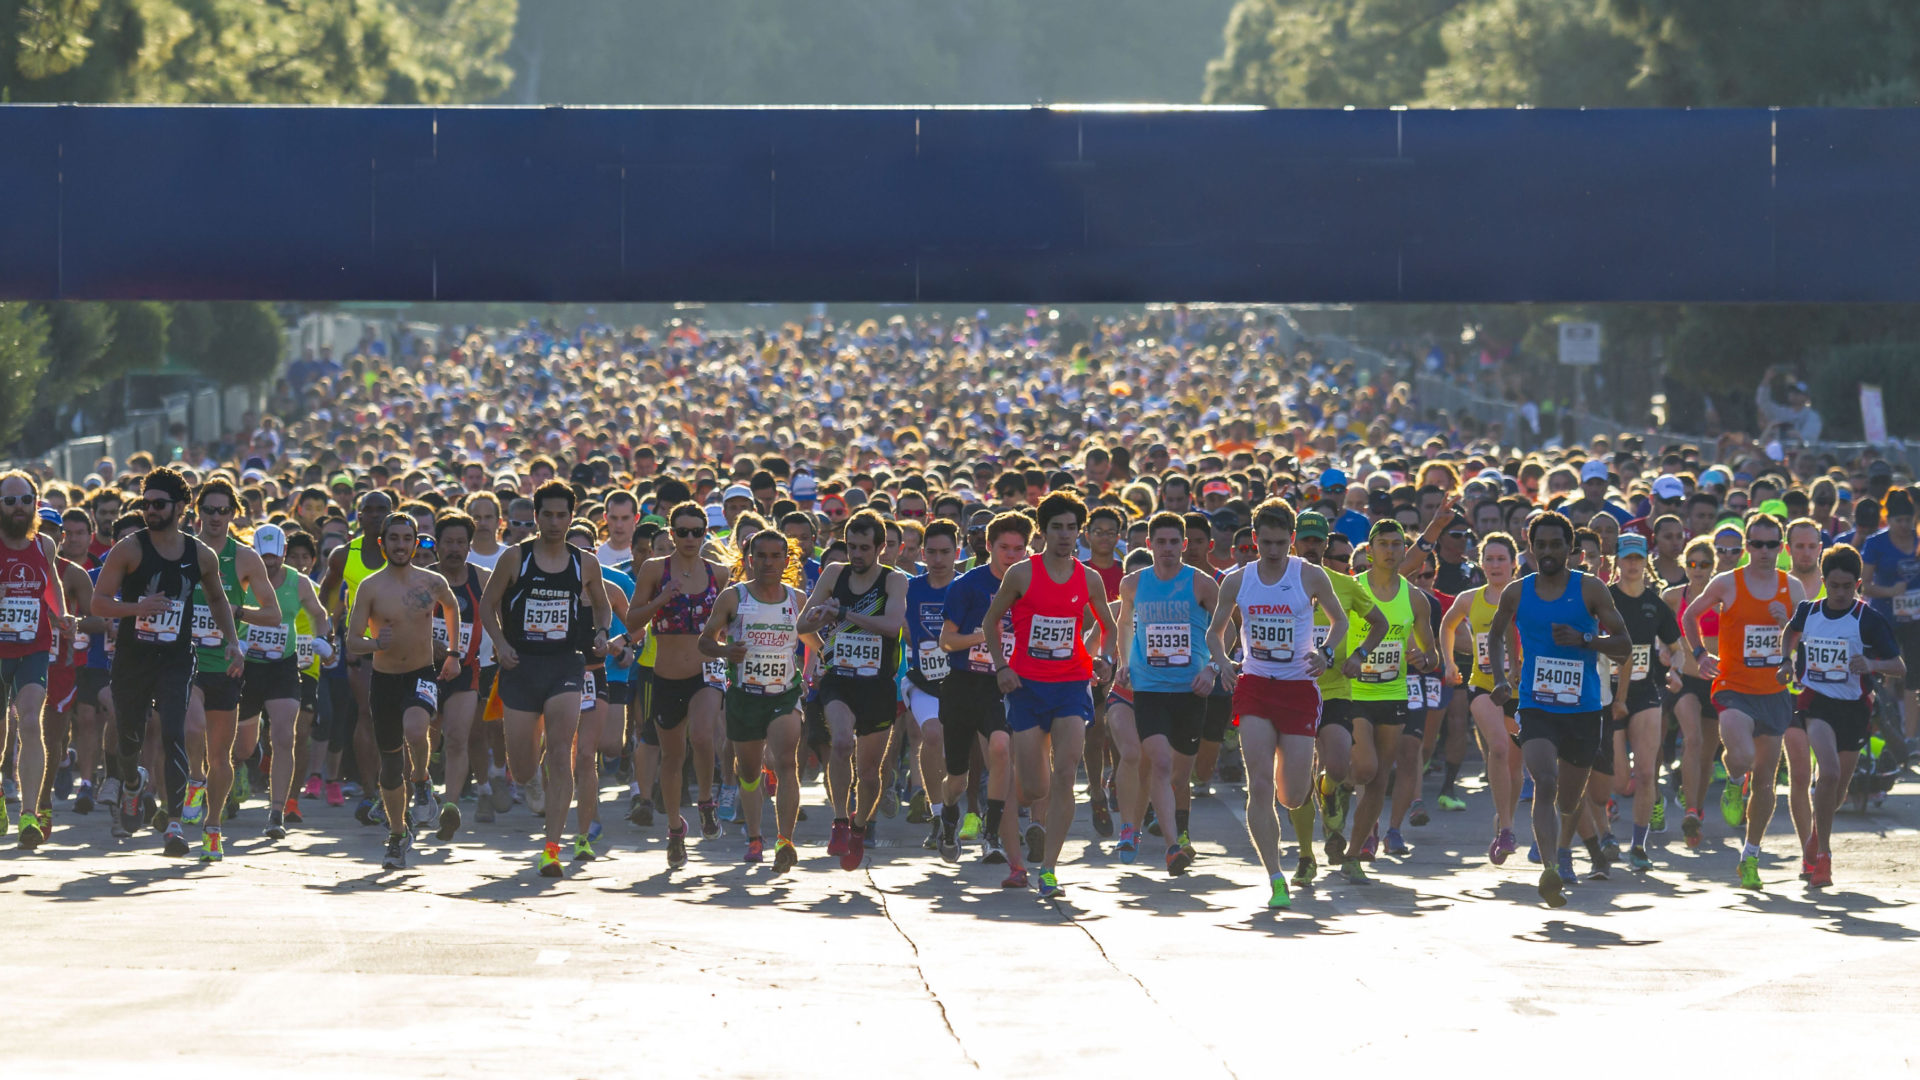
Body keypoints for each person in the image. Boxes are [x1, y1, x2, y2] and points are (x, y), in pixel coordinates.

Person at [1208, 500, 1353, 909]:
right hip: (1255, 685)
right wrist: (1223, 662)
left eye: (1280, 543)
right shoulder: (1237, 581)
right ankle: (1275, 876)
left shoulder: (1309, 575)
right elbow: (1214, 631)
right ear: (1254, 539)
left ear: (1291, 539)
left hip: (1298, 689)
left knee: (1292, 795)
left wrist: (1325, 652)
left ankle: (1311, 787)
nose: (1273, 551)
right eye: (1265, 543)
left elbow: (1339, 621)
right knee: (1259, 785)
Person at [1486, 510, 1633, 907]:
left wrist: (1586, 639)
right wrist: (1501, 678)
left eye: (1556, 545)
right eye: (1540, 545)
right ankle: (1550, 868)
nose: (1548, 552)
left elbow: (1623, 645)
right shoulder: (1518, 591)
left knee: (1569, 801)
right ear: (1530, 548)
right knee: (1545, 781)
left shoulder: (1591, 590)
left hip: (1584, 709)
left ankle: (1569, 848)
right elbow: (1496, 635)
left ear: (1571, 549)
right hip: (1536, 705)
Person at [92, 467, 240, 855]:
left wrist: (233, 642)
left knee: (174, 733)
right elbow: (98, 602)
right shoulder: (130, 548)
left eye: (159, 504)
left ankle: (174, 824)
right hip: (133, 658)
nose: (150, 511)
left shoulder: (200, 554)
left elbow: (218, 600)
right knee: (129, 740)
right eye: (145, 504)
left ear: (181, 506)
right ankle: (131, 784)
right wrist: (137, 607)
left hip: (175, 658)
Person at [982, 491, 1119, 899]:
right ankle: (1012, 824)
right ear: (1043, 531)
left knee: (1066, 771)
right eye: (1056, 527)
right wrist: (1002, 668)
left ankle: (1049, 869)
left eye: (1071, 528)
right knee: (1032, 789)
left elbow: (1108, 626)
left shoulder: (1089, 578)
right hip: (1026, 687)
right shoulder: (1021, 574)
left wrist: (1102, 659)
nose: (1064, 535)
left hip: (1072, 684)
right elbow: (991, 624)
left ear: (1079, 533)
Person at [481, 481, 612, 877]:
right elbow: (487, 606)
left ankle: (551, 847)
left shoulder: (584, 562)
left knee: (561, 752)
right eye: (547, 515)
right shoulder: (514, 558)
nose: (555, 522)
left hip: (565, 665)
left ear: (572, 517)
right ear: (536, 517)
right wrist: (501, 644)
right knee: (522, 770)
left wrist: (603, 634)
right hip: (521, 666)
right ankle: (527, 773)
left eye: (562, 515)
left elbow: (603, 607)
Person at [1681, 513, 1806, 890]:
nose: (1764, 551)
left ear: (1781, 547)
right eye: (1757, 544)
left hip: (1775, 693)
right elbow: (1689, 615)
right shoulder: (1727, 583)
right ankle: (1735, 778)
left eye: (1771, 544)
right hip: (1733, 686)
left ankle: (1749, 857)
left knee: (1766, 783)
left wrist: (1788, 623)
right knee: (1744, 757)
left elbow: (1807, 636)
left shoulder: (1793, 588)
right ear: (1747, 546)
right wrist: (1701, 654)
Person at [698, 531, 826, 872]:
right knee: (750, 770)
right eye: (762, 556)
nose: (768, 562)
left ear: (787, 560)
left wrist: (826, 651)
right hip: (744, 696)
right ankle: (755, 837)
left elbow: (807, 635)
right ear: (749, 559)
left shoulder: (797, 598)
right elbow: (705, 642)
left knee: (786, 762)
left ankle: (785, 841)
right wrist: (727, 650)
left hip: (784, 694)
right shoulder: (733, 598)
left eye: (775, 556)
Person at [1779, 544, 1902, 887]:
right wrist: (1786, 661)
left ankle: (1815, 838)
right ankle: (1824, 857)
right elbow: (1790, 632)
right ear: (1823, 580)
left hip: (1854, 708)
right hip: (1815, 702)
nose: (1841, 593)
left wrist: (1873, 664)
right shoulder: (1808, 611)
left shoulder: (1868, 619)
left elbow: (1899, 665)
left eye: (1848, 587)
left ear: (1858, 584)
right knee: (1827, 773)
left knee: (1839, 791)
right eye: (1834, 585)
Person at [346, 514, 463, 870]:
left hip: (421, 673)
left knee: (416, 728)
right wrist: (373, 642)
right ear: (383, 544)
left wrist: (455, 655)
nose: (400, 544)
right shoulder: (370, 586)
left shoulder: (433, 581)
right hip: (384, 681)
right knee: (390, 769)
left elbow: (452, 607)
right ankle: (398, 835)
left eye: (407, 538)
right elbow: (352, 641)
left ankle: (423, 780)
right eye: (393, 538)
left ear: (417, 542)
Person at [1113, 511, 1220, 878]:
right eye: (1161, 542)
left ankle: (1178, 833)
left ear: (1184, 545)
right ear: (1149, 545)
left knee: (1179, 773)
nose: (1168, 549)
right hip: (1149, 687)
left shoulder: (1202, 584)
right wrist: (1124, 662)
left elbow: (1226, 632)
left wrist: (1212, 668)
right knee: (1158, 762)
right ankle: (1172, 846)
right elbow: (1125, 623)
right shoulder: (1133, 584)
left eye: (1175, 542)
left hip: (1191, 689)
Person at [181, 479, 282, 860]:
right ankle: (194, 779)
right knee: (192, 728)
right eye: (209, 510)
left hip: (225, 663)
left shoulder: (243, 558)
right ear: (197, 512)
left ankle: (213, 829)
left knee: (221, 756)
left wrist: (236, 612)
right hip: (185, 660)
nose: (216, 517)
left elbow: (272, 614)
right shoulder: (183, 550)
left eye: (224, 511)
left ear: (234, 514)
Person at [802, 508, 908, 871]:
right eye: (852, 547)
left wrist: (843, 614)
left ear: (881, 548)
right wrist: (821, 641)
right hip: (839, 679)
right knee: (842, 741)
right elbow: (802, 623)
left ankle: (860, 825)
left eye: (865, 548)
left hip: (877, 685)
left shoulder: (894, 581)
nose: (857, 555)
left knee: (869, 773)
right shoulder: (834, 573)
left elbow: (893, 626)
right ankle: (839, 822)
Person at [625, 501, 726, 869]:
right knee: (671, 757)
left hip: (706, 672)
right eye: (681, 531)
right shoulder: (655, 570)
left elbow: (731, 621)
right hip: (665, 675)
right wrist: (662, 598)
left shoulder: (719, 573)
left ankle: (705, 803)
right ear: (671, 534)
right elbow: (632, 618)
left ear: (705, 534)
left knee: (702, 735)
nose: (689, 538)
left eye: (697, 532)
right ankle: (674, 830)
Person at [1340, 520, 1438, 882]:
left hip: (1394, 693)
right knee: (1365, 768)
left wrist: (1423, 659)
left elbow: (1433, 656)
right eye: (1383, 544)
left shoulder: (1415, 598)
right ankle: (1337, 784)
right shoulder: (1352, 589)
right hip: (1354, 692)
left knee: (1380, 780)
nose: (1391, 551)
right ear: (1369, 551)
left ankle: (1353, 855)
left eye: (1398, 545)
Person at [935, 511, 1030, 867]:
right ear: (988, 547)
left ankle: (993, 834)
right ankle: (947, 815)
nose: (1011, 555)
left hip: (1003, 682)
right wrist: (986, 635)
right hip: (964, 683)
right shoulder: (967, 585)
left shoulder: (1030, 585)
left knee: (1002, 747)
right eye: (1004, 547)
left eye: (1019, 549)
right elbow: (946, 641)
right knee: (957, 777)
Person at [237, 524, 333, 842]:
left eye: (275, 558)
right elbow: (222, 609)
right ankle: (240, 766)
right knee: (243, 747)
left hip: (283, 666)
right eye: (263, 559)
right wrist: (232, 641)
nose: (270, 565)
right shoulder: (243, 577)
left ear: (283, 554)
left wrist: (322, 639)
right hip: (247, 665)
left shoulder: (298, 581)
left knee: (285, 736)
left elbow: (320, 614)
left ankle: (276, 811)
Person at [1440, 531, 1526, 864]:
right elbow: (1447, 626)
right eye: (1488, 559)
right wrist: (1449, 663)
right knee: (1500, 747)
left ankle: (1504, 821)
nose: (1494, 565)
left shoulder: (1527, 597)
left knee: (1517, 768)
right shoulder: (1469, 599)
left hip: (1521, 691)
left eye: (1501, 559)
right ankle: (1506, 830)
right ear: (1481, 563)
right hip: (1482, 685)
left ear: (1514, 564)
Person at [1, 471, 76, 848]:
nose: (18, 507)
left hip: (32, 647)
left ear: (36, 503)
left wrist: (61, 614)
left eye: (25, 500)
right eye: (10, 500)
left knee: (30, 721)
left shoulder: (44, 544)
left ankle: (28, 815)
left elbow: (52, 584)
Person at [1602, 533, 1680, 872]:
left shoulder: (1655, 604)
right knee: (1620, 783)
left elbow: (1677, 649)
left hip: (1646, 693)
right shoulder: (1603, 600)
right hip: (1607, 695)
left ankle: (1638, 845)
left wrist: (1675, 670)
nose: (1632, 564)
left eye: (1638, 558)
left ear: (1645, 561)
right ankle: (1606, 833)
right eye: (1627, 557)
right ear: (1617, 561)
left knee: (1647, 774)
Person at [428, 512, 488, 843]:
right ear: (437, 545)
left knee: (456, 738)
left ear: (469, 546)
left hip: (466, 670)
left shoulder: (482, 579)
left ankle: (449, 806)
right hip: (423, 670)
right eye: (448, 542)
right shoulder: (423, 579)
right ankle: (422, 793)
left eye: (461, 543)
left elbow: (503, 609)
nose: (454, 549)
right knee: (423, 740)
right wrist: (428, 642)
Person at [904, 520, 960, 852]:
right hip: (923, 680)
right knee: (933, 735)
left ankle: (970, 811)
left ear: (957, 552)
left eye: (945, 552)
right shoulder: (910, 588)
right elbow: (897, 619)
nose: (938, 559)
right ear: (922, 553)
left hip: (965, 680)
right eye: (932, 553)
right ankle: (937, 812)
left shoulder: (968, 586)